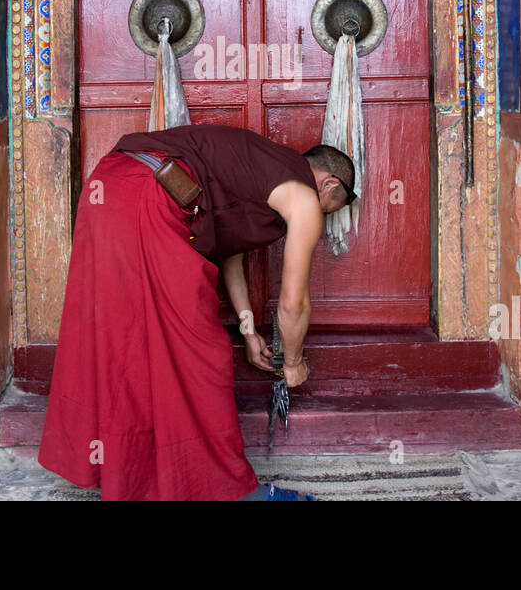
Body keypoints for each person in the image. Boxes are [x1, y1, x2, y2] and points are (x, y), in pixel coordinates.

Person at [37, 123, 356, 501]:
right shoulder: (303, 197)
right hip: (152, 193)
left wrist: (247, 329)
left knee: (127, 340)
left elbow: (228, 251)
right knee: (202, 355)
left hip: (111, 187)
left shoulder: (262, 175)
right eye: (339, 207)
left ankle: (131, 476)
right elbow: (293, 303)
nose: (331, 217)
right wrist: (294, 362)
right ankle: (228, 491)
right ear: (331, 185)